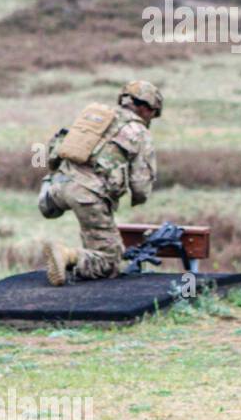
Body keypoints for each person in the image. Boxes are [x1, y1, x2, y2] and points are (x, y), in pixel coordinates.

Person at [39, 81, 161, 285]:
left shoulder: (95, 116)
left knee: (94, 238)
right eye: (154, 113)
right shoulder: (139, 132)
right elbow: (140, 185)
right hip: (87, 196)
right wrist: (137, 198)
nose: (152, 118)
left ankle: (50, 205)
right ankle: (68, 255)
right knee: (110, 261)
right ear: (145, 108)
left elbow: (58, 147)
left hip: (57, 186)